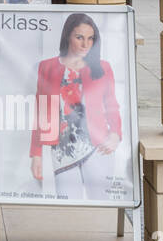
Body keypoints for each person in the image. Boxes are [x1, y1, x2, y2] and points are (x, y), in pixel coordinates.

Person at [29, 12, 123, 200]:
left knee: (101, 204)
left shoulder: (103, 67)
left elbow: (111, 104)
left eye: (90, 38)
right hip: (63, 150)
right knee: (68, 205)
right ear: (67, 37)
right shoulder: (47, 67)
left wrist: (115, 134)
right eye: (79, 37)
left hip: (97, 146)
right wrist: (36, 154)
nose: (85, 44)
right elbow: (42, 112)